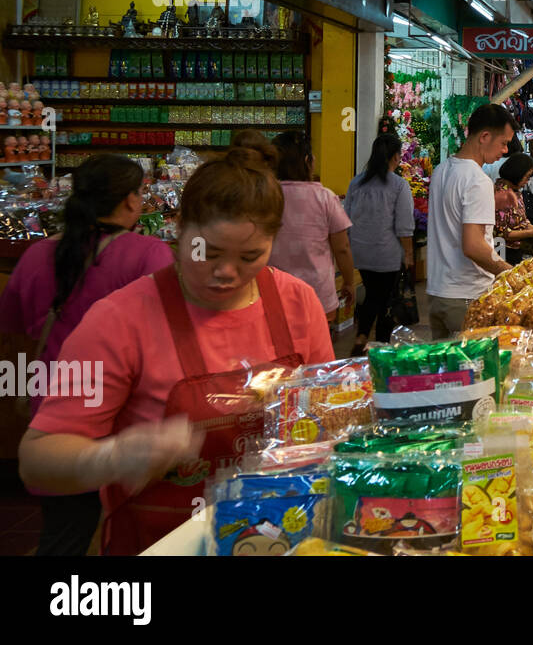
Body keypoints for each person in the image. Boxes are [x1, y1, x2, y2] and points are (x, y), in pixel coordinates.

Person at [19, 145, 334, 555]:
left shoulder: (297, 301)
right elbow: (37, 460)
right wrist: (113, 456)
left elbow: (329, 417)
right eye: (209, 252)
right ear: (179, 226)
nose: (226, 272)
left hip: (279, 537)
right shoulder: (118, 319)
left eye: (250, 256)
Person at [0, 154, 174, 556]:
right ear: (132, 200)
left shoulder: (35, 256)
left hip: (54, 420)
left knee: (63, 538)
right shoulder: (150, 255)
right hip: (126, 421)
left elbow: (12, 327)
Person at [425, 103, 515, 334]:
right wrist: (510, 273)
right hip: (467, 296)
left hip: (439, 293)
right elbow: (473, 246)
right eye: (503, 143)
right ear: (485, 136)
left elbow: (453, 214)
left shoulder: (442, 170)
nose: (505, 150)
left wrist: (493, 202)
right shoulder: (478, 180)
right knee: (474, 369)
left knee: (449, 370)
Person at [268, 131, 356, 329]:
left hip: (272, 293)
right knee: (316, 354)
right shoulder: (325, 197)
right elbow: (342, 248)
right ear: (308, 160)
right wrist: (349, 282)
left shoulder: (264, 195)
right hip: (317, 296)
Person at [343, 134, 415, 352]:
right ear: (396, 156)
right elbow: (404, 226)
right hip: (387, 255)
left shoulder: (356, 182)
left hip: (361, 252)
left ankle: (362, 336)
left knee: (373, 293)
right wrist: (409, 254)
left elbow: (346, 218)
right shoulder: (398, 185)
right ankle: (380, 344)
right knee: (385, 300)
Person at [494, 154, 533, 264]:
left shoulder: (516, 192)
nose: (528, 181)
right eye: (527, 177)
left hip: (517, 249)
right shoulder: (500, 195)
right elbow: (503, 234)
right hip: (503, 252)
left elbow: (523, 222)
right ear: (517, 173)